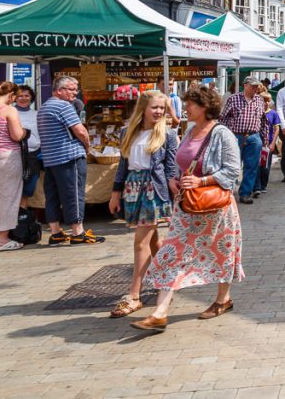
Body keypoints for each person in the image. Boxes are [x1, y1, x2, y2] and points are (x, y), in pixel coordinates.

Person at [131, 85, 245, 333]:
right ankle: (160, 313)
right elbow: (179, 162)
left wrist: (202, 181)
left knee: (222, 252)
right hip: (187, 207)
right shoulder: (189, 130)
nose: (185, 108)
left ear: (204, 107)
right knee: (172, 253)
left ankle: (223, 299)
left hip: (215, 207)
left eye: (190, 104)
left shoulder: (221, 133)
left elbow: (233, 170)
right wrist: (175, 179)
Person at [107, 91, 178, 318]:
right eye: (155, 107)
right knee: (153, 240)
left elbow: (171, 170)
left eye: (162, 108)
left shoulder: (167, 134)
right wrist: (115, 193)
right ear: (143, 109)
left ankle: (134, 296)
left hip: (154, 190)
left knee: (140, 243)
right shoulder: (127, 132)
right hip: (132, 187)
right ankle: (166, 279)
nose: (158, 112)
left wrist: (174, 196)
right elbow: (122, 164)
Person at [38, 76, 102, 245]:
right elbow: (80, 131)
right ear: (59, 90)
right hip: (69, 156)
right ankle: (77, 232)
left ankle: (55, 232)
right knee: (73, 194)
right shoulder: (64, 106)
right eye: (71, 89)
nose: (75, 93)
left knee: (52, 195)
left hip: (51, 158)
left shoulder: (44, 106)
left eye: (76, 89)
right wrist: (87, 147)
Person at [218, 77, 268, 205]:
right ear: (245, 85)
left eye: (257, 86)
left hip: (254, 136)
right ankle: (227, 192)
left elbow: (263, 121)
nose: (255, 89)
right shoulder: (234, 99)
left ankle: (245, 193)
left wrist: (265, 138)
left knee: (251, 167)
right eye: (253, 86)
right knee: (232, 165)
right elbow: (223, 118)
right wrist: (223, 136)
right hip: (235, 136)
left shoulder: (259, 100)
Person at [0, 82, 26, 251]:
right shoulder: (9, 110)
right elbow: (17, 135)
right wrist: (25, 132)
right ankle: (1, 238)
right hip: (6, 157)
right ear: (12, 94)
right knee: (8, 196)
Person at [13, 85, 41, 210]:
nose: (23, 98)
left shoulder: (37, 114)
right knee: (13, 188)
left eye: (26, 95)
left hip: (33, 156)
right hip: (14, 155)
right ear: (14, 98)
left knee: (28, 189)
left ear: (31, 98)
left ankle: (21, 218)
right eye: (20, 96)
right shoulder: (10, 112)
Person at [254, 92, 281, 198]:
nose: (266, 103)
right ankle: (257, 186)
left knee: (265, 166)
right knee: (256, 165)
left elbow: (276, 129)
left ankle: (263, 184)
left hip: (267, 143)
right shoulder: (256, 112)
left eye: (268, 101)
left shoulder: (273, 114)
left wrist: (273, 143)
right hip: (257, 143)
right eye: (263, 100)